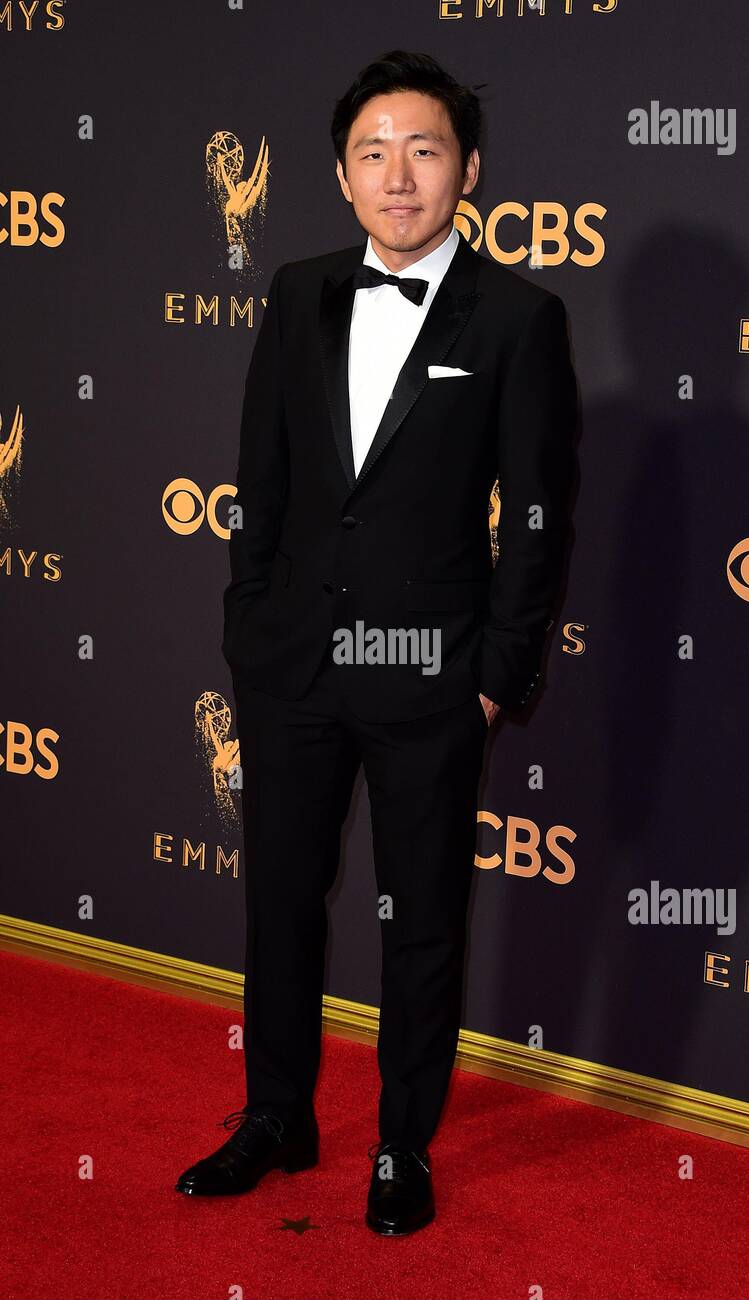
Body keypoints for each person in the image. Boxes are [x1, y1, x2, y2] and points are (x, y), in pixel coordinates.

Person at [176, 49, 579, 1235]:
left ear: (468, 169)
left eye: (425, 150)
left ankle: (403, 1141)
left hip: (431, 680)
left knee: (423, 916)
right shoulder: (297, 291)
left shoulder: (519, 318)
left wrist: (496, 680)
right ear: (343, 174)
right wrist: (248, 622)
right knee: (281, 902)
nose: (399, 176)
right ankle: (275, 1116)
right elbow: (262, 475)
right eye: (374, 153)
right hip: (290, 667)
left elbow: (540, 514)